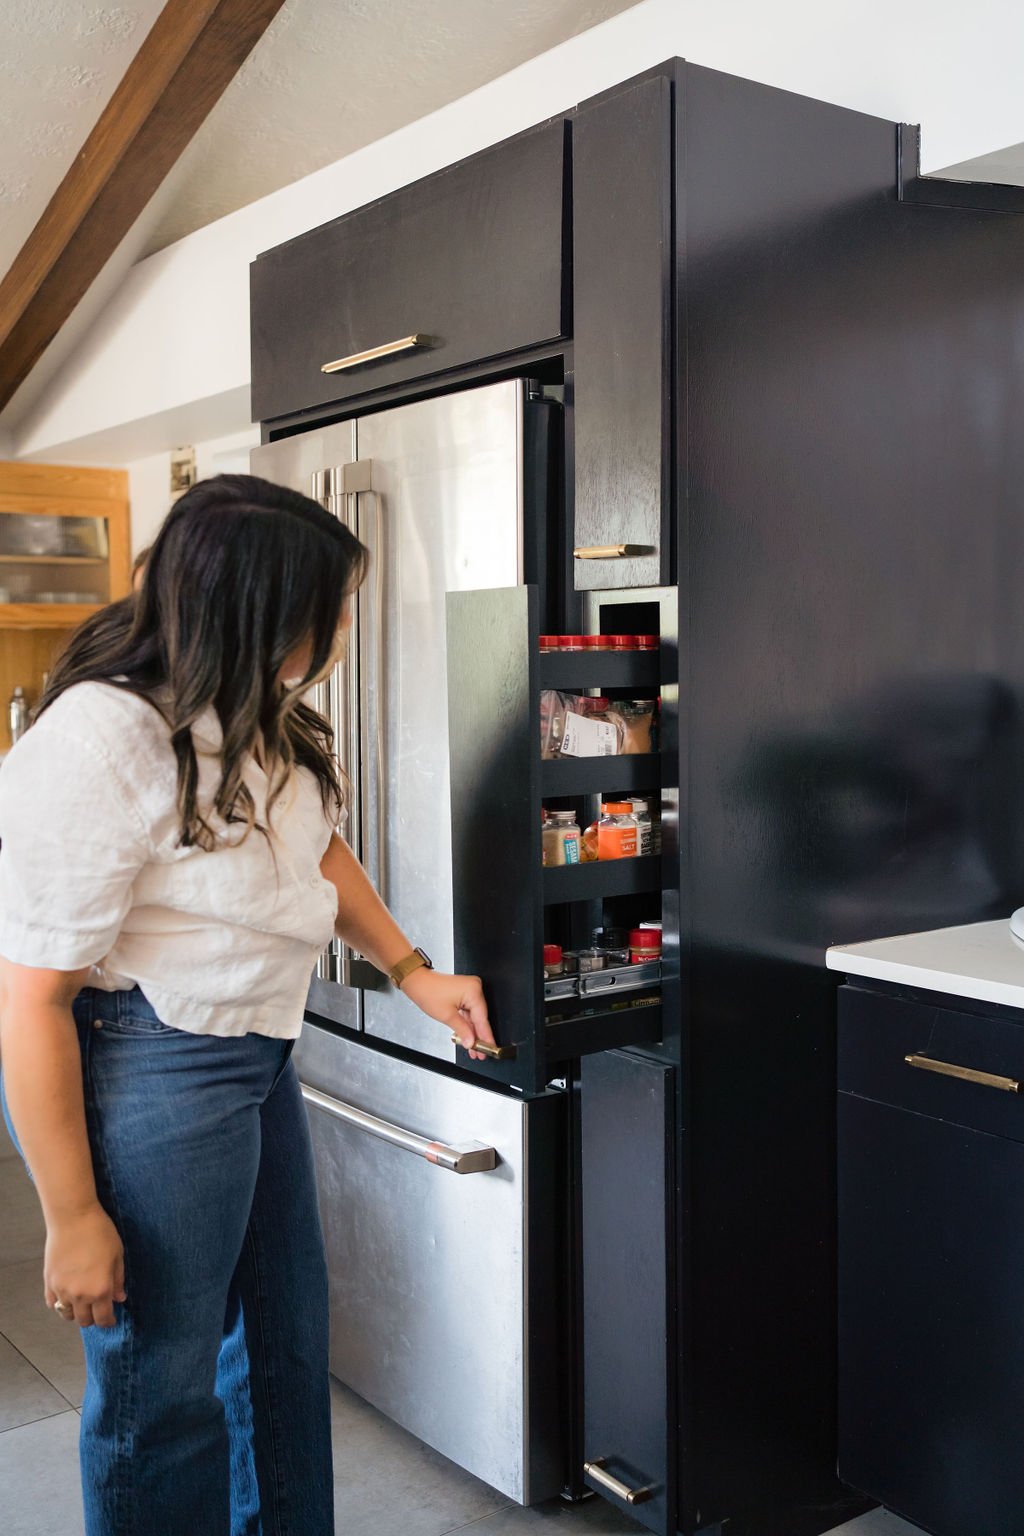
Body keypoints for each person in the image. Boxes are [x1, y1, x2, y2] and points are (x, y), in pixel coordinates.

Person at [0, 474, 495, 1536]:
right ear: (257, 609)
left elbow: (313, 847)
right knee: (162, 1388)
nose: (346, 630)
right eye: (333, 609)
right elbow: (29, 999)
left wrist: (413, 970)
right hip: (146, 1064)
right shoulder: (100, 741)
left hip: (255, 1058)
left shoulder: (261, 716)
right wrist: (73, 1216)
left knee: (280, 1346)